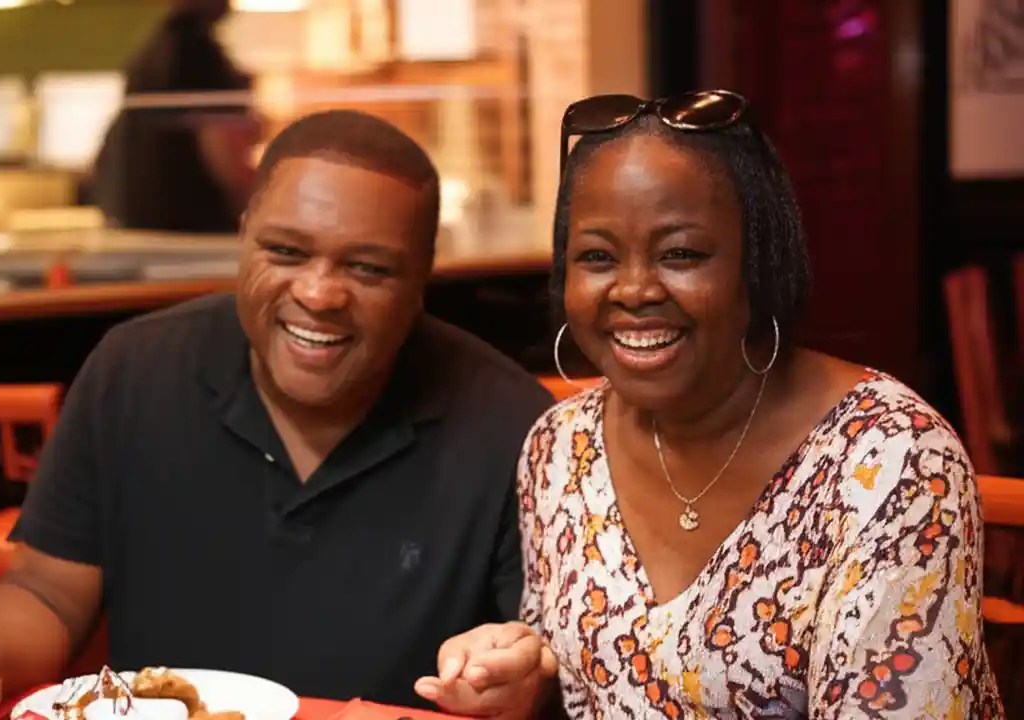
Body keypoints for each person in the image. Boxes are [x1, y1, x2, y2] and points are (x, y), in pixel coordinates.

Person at [0, 109, 554, 720]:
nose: (319, 294)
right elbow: (47, 594)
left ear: (422, 280)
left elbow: (543, 667)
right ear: (243, 239)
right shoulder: (134, 370)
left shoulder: (511, 424)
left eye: (370, 269)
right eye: (285, 252)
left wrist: (519, 682)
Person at [420, 90, 1004, 718]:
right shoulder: (559, 448)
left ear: (760, 266)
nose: (635, 289)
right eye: (597, 257)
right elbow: (584, 685)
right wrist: (527, 684)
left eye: (681, 254)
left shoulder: (893, 462)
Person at [90, 0, 258, 233]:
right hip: (192, 228)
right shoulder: (198, 54)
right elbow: (223, 150)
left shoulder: (151, 53)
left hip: (140, 224)